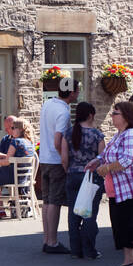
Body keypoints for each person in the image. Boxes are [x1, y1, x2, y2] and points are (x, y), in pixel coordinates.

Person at [88, 101, 133, 266]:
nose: (112, 115)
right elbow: (106, 154)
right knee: (119, 227)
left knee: (127, 224)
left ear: (126, 116)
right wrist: (97, 160)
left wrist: (107, 167)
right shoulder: (120, 134)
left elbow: (129, 160)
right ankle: (130, 262)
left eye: (115, 113)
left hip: (132, 187)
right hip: (117, 189)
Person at [37, 82, 77, 254]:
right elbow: (58, 139)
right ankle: (53, 242)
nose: (78, 94)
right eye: (77, 91)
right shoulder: (64, 111)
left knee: (46, 201)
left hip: (44, 158)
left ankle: (47, 239)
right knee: (55, 201)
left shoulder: (47, 104)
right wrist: (64, 159)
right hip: (55, 160)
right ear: (72, 93)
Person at [65, 103, 105, 259]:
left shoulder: (68, 133)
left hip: (73, 175)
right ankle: (89, 250)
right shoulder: (97, 135)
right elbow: (102, 158)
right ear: (90, 115)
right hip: (91, 177)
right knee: (89, 213)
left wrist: (69, 171)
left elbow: (64, 158)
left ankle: (75, 250)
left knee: (73, 214)